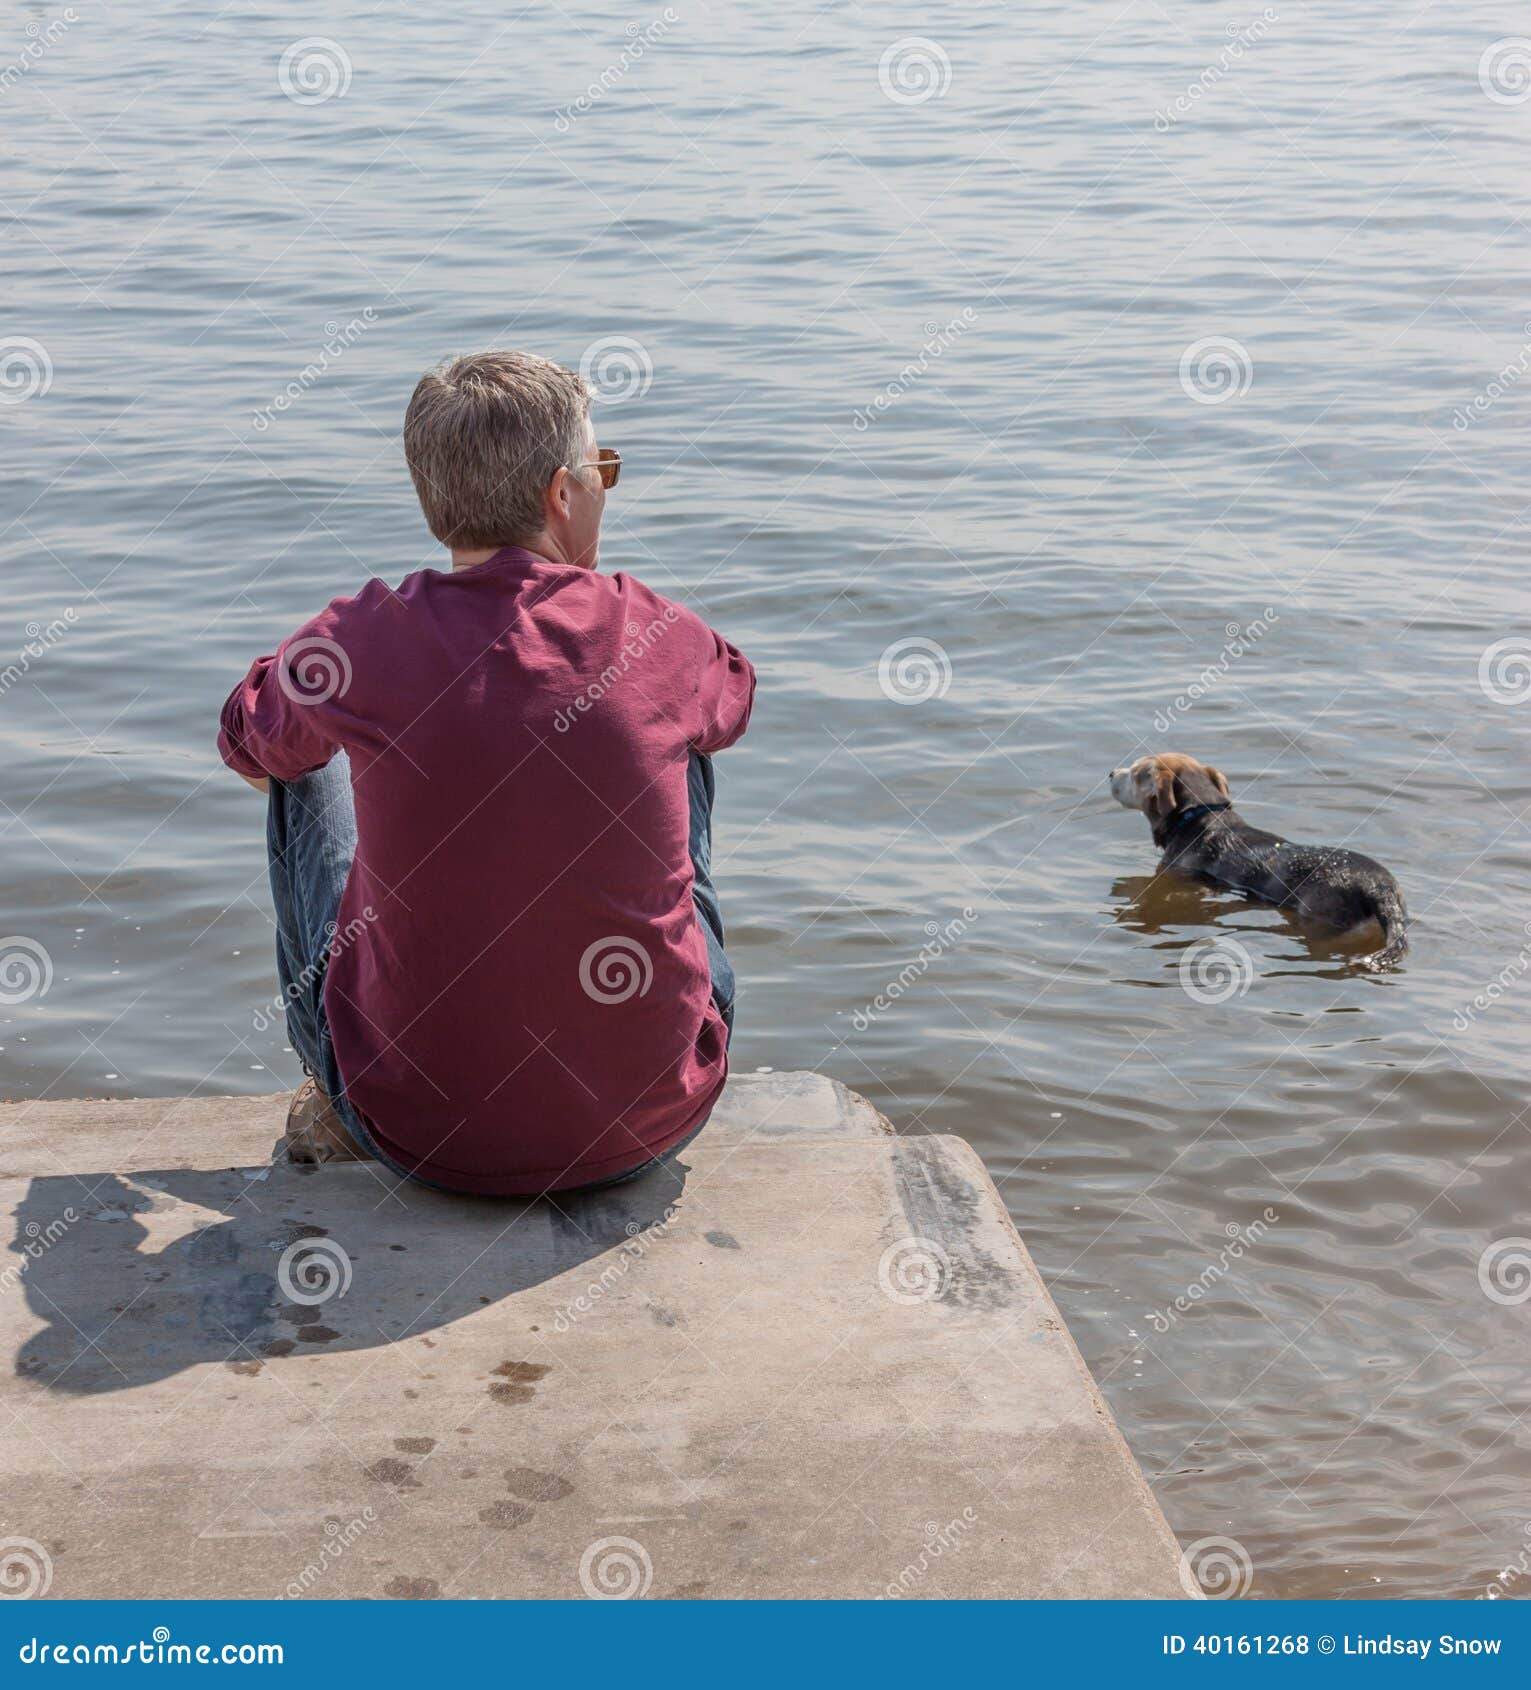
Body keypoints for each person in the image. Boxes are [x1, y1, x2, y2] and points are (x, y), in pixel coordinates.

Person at [217, 350, 754, 1195]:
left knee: (301, 763)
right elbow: (736, 697)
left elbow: (243, 741)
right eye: (603, 470)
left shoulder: (362, 635)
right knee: (679, 734)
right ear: (561, 493)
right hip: (650, 1119)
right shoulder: (656, 632)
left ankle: (346, 1077)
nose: (605, 489)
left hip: (413, 1134)